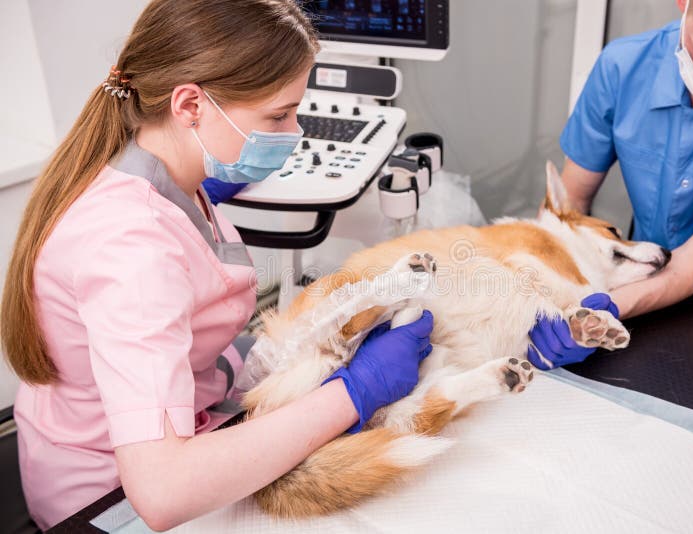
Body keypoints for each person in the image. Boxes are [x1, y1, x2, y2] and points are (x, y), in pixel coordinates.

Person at [0, 1, 433, 530]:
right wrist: (355, 391)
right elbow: (163, 491)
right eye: (278, 115)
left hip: (167, 421)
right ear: (189, 105)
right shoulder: (130, 247)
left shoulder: (159, 170)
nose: (293, 133)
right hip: (109, 497)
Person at [528, 0, 693, 370]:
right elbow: (568, 205)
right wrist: (545, 290)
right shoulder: (622, 68)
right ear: (684, 3)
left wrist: (596, 313)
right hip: (648, 284)